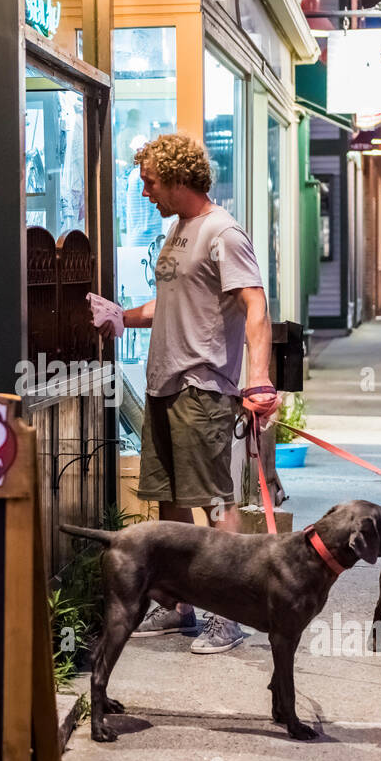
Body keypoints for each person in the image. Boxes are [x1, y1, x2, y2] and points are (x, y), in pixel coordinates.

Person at [96, 133, 279, 654]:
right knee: (170, 501)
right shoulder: (179, 229)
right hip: (163, 384)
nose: (145, 190)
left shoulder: (223, 232)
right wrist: (121, 317)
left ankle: (232, 614)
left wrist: (259, 380)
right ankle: (179, 606)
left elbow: (256, 307)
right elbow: (171, 303)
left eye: (151, 182)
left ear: (178, 179)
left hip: (202, 387)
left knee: (214, 499)